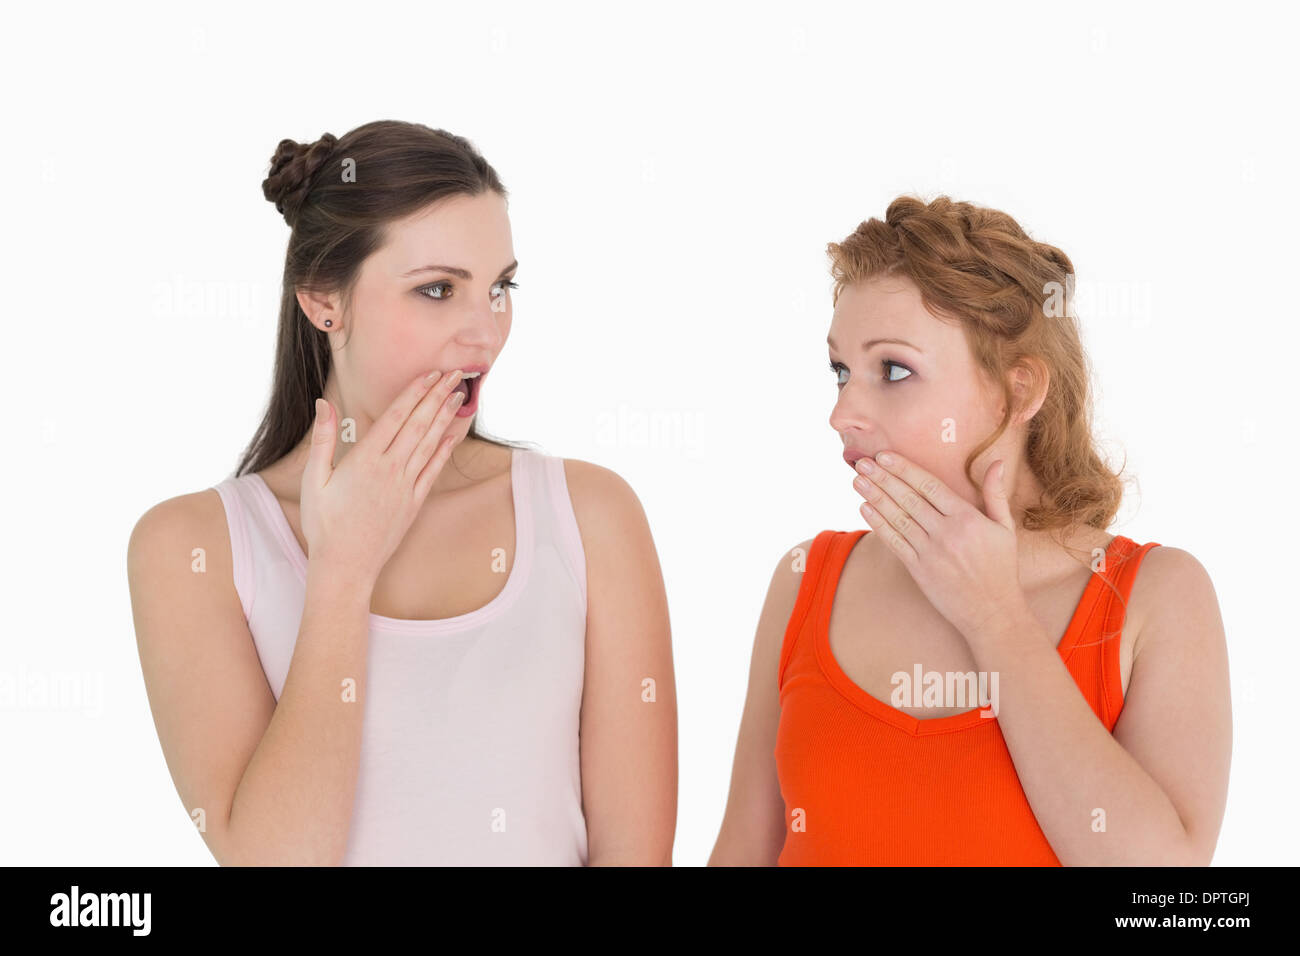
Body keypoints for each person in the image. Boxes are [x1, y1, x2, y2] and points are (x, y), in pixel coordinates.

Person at [127, 120, 676, 866]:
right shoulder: (191, 547)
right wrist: (343, 570)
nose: (485, 335)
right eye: (438, 290)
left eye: (500, 288)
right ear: (324, 300)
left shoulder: (591, 517)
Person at [710, 195, 1230, 865]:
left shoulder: (1155, 595)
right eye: (841, 372)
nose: (842, 414)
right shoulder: (805, 578)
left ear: (1019, 393)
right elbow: (742, 851)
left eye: (892, 370)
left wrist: (995, 618)